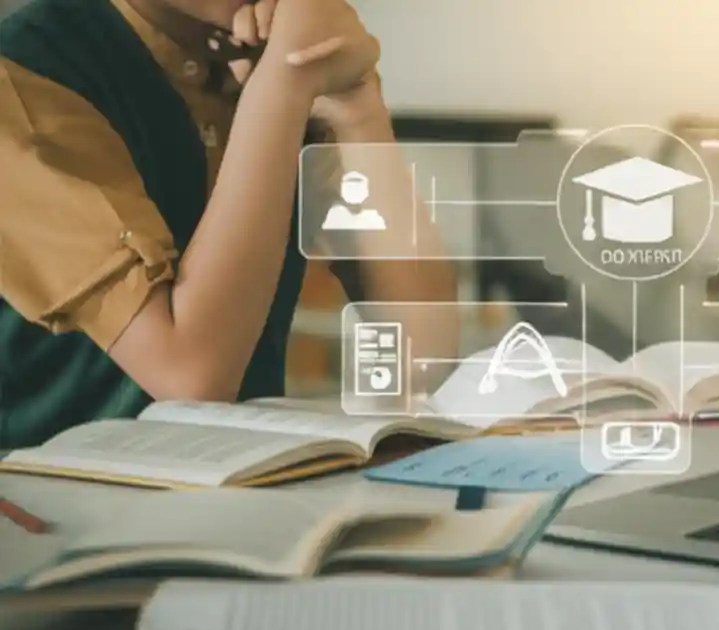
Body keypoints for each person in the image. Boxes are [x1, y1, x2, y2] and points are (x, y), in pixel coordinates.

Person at [0, 0, 458, 448]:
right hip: (67, 507)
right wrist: (285, 82)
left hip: (252, 493)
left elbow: (424, 352)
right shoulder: (25, 75)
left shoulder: (274, 49)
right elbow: (192, 379)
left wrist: (359, 112)